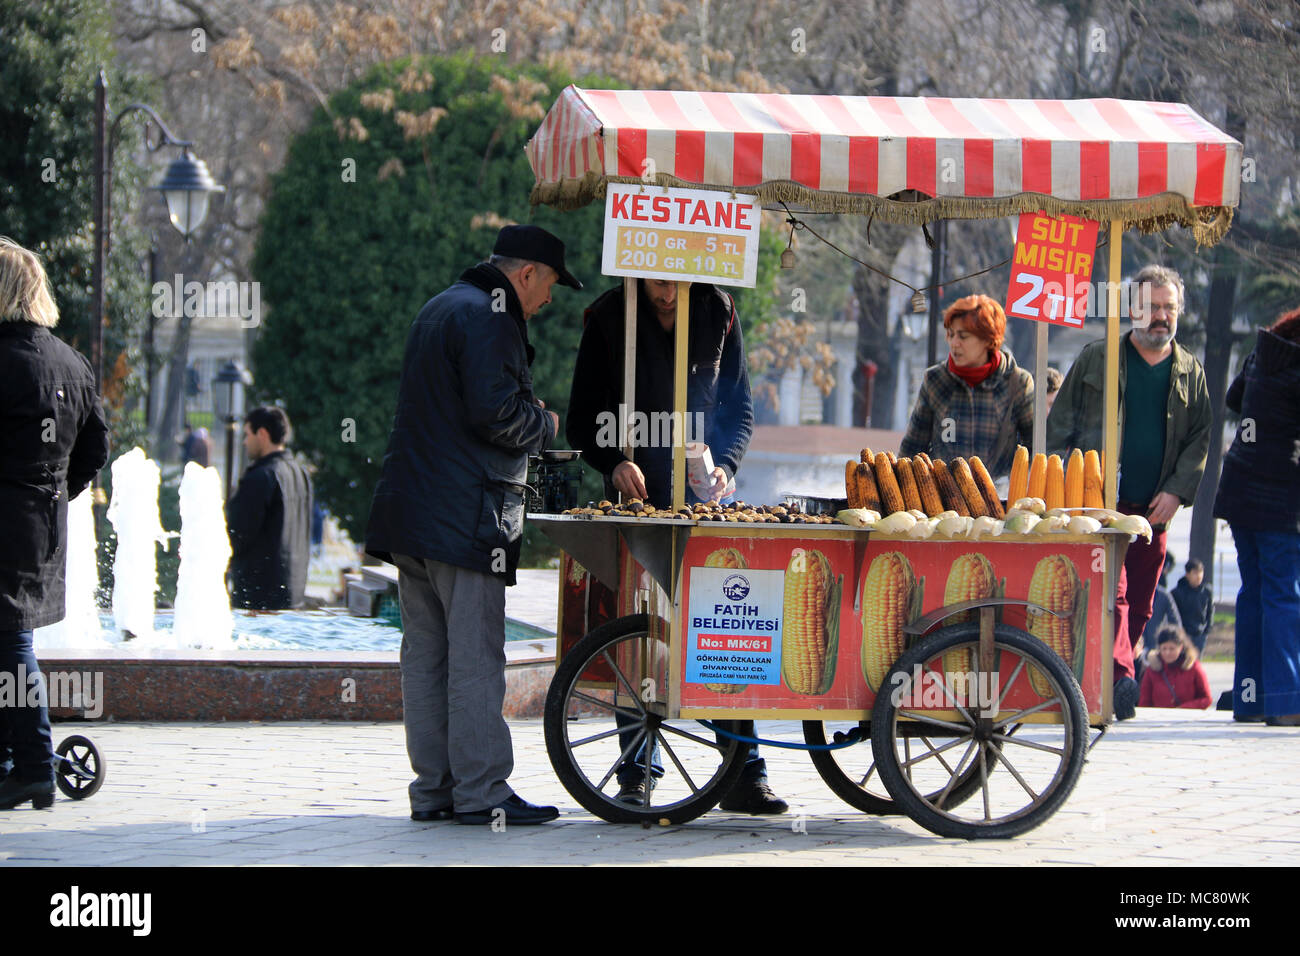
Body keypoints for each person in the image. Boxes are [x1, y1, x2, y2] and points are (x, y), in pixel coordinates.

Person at [366, 224, 580, 824]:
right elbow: (495, 414)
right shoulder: (492, 316)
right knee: (476, 657)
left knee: (426, 656)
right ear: (527, 272)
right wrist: (544, 425)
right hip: (467, 517)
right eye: (550, 288)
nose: (547, 302)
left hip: (411, 514)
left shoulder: (440, 305)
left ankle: (433, 789)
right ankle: (482, 792)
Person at [568, 278, 789, 815]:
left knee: (724, 632)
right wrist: (613, 461)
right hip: (635, 508)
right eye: (657, 282)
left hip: (702, 510)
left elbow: (739, 410)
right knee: (636, 635)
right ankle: (637, 770)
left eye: (676, 282)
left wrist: (726, 466)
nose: (667, 294)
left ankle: (743, 771)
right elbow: (580, 417)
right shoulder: (606, 316)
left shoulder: (720, 311)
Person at [1047, 264, 1212, 720]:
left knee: (1140, 600)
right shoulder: (1098, 358)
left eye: (1169, 308)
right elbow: (1059, 426)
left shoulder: (1189, 371)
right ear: (1131, 310)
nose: (1161, 316)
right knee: (1112, 592)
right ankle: (1121, 676)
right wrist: (1064, 487)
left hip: (1154, 510)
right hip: (1101, 507)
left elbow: (1200, 438)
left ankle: (1114, 669)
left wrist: (1177, 492)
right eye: (1152, 307)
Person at [0, 238, 110, 810]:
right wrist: (57, 492)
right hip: (42, 525)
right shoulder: (71, 361)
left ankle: (36, 764)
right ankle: (15, 757)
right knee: (9, 638)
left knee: (12, 643)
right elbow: (97, 445)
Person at [1213, 306, 1300, 727]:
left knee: (1255, 593)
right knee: (1284, 595)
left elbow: (1233, 399)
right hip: (1279, 496)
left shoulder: (1264, 353)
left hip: (1240, 490)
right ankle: (1286, 702)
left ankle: (1252, 699)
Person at [899, 294, 1034, 479]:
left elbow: (1037, 451)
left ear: (988, 339)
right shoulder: (935, 380)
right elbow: (911, 449)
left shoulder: (1018, 383)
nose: (954, 343)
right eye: (951, 334)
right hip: (943, 501)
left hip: (1000, 500)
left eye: (963, 336)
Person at [225, 406, 313, 611]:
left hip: (258, 598)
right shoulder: (301, 474)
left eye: (247, 434)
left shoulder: (262, 476)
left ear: (262, 434)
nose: (245, 442)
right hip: (294, 594)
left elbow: (236, 532)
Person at [1138, 625, 1213, 710]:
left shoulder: (1193, 667)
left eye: (1172, 649)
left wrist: (1183, 709)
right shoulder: (1152, 670)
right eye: (1164, 648)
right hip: (1158, 720)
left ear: (1180, 648)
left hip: (1187, 720)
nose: (1167, 653)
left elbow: (1206, 699)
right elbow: (1144, 704)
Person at [1136, 553, 1182, 683]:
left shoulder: (1161, 595)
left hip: (1147, 644)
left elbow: (1175, 623)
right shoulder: (1163, 595)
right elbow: (1176, 624)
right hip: (1151, 643)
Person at [1171, 558, 1214, 656]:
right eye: (1195, 573)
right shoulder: (1177, 593)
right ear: (1187, 574)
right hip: (1184, 634)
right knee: (1183, 661)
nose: (1198, 576)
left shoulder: (1207, 591)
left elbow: (1210, 611)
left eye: (1200, 572)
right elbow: (1173, 615)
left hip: (1200, 633)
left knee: (1196, 662)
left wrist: (1207, 629)